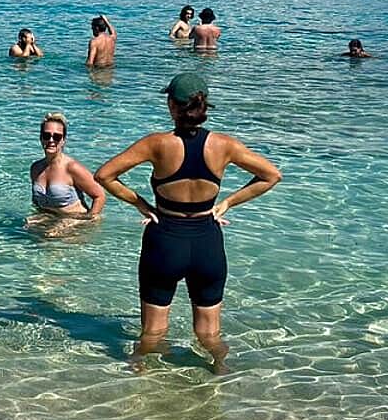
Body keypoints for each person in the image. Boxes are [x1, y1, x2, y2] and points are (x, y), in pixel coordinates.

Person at [95, 73, 282, 369]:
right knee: (209, 334)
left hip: (165, 241)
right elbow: (272, 175)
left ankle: (137, 367)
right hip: (207, 241)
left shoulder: (157, 144)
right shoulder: (224, 145)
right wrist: (227, 203)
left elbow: (104, 175)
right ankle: (220, 367)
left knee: (154, 332)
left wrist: (141, 204)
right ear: (203, 105)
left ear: (172, 105)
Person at [30, 113, 105, 219]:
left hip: (75, 224)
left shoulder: (72, 168)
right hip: (51, 222)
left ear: (63, 140)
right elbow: (37, 203)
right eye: (47, 135)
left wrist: (88, 220)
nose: (51, 140)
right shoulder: (35, 168)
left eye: (56, 136)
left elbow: (100, 196)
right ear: (41, 138)